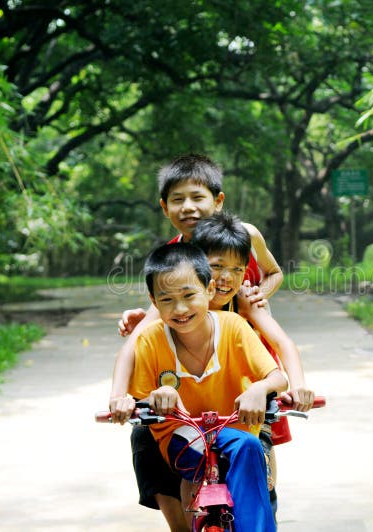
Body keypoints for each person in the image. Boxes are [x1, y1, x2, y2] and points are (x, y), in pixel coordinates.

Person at [108, 154, 286, 529]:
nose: (188, 207)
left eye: (198, 197)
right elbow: (152, 322)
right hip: (190, 385)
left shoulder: (244, 236)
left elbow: (274, 275)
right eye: (177, 199)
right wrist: (143, 321)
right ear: (164, 207)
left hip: (245, 372)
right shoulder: (176, 261)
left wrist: (255, 299)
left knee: (257, 448)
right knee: (148, 437)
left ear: (218, 200)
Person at [129, 242, 287, 531]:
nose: (180, 309)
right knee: (193, 460)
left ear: (210, 290)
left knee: (250, 447)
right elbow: (139, 398)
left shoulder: (234, 326)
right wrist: (159, 395)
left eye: (189, 295)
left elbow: (278, 377)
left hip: (234, 428)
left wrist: (257, 389)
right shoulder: (149, 339)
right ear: (153, 300)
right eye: (167, 300)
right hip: (182, 434)